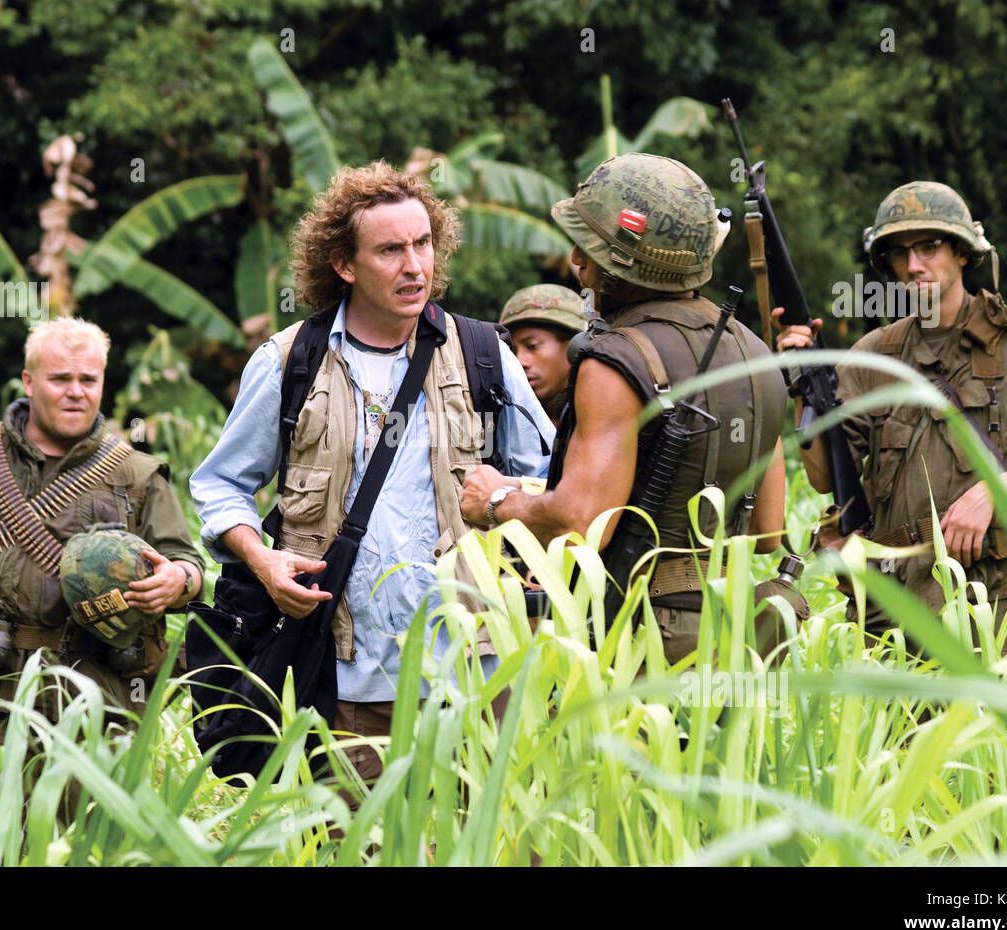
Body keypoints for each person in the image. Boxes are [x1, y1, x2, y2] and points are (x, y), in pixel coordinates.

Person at [190, 161, 553, 783]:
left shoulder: (485, 355)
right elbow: (220, 484)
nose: (415, 266)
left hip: (475, 669)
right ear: (345, 264)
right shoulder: (289, 363)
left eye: (423, 243)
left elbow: (549, 484)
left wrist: (506, 510)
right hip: (342, 674)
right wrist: (264, 560)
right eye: (390, 250)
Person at [461, 154, 790, 665]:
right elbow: (769, 529)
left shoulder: (614, 361)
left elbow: (579, 527)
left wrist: (498, 500)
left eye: (590, 247)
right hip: (736, 635)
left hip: (636, 636)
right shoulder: (755, 354)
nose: (576, 259)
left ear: (624, 264)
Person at [0, 316, 204, 855]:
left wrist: (177, 581)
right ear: (29, 381)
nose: (76, 392)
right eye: (61, 378)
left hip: (102, 690)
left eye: (89, 379)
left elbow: (186, 563)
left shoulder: (136, 472)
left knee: (97, 846)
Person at [775, 181, 1007, 662]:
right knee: (898, 739)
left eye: (929, 246)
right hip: (894, 609)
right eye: (900, 253)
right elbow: (821, 478)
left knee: (1000, 738)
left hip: (989, 600)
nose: (914, 265)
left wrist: (989, 493)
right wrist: (802, 385)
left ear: (962, 252)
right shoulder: (873, 355)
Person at [500, 283, 588, 426]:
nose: (520, 361)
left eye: (532, 346)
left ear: (575, 346)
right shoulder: (502, 418)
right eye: (512, 351)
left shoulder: (600, 414)